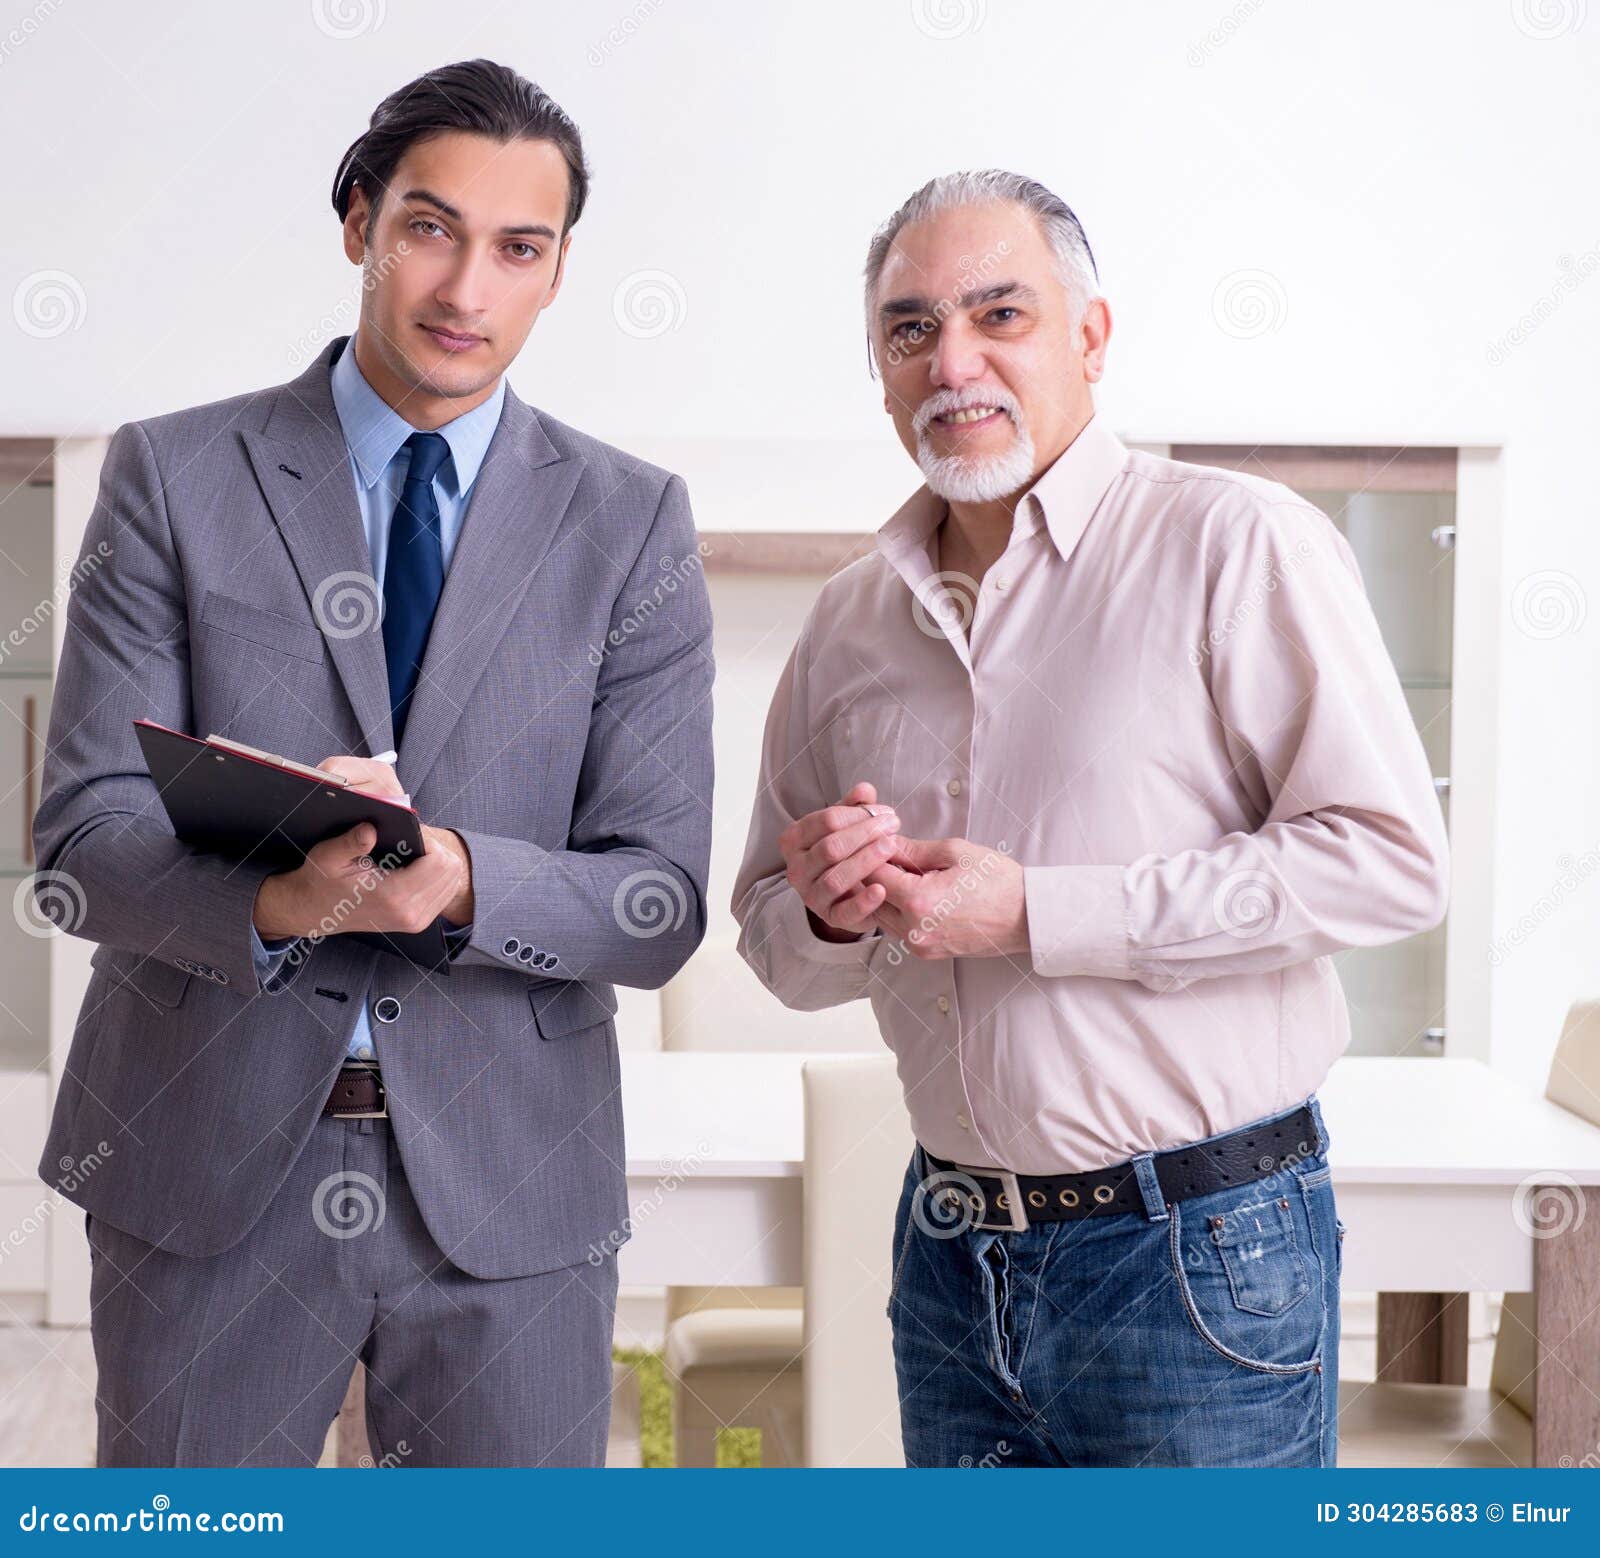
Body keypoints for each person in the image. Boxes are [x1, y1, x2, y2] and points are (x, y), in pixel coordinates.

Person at [35, 58, 713, 1467]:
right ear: (357, 222)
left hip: (510, 1189)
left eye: (517, 248)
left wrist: (464, 882)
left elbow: (656, 898)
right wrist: (285, 904)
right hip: (204, 1164)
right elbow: (84, 837)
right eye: (429, 225)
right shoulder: (174, 474)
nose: (467, 285)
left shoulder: (632, 524)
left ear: (557, 273)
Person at [731, 170, 1448, 1467]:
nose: (952, 361)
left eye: (999, 313)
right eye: (909, 331)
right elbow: (771, 941)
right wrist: (832, 912)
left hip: (1200, 1254)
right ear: (882, 373)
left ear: (1090, 338)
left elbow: (1390, 863)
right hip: (948, 1256)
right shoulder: (847, 621)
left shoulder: (1239, 545)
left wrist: (1038, 910)